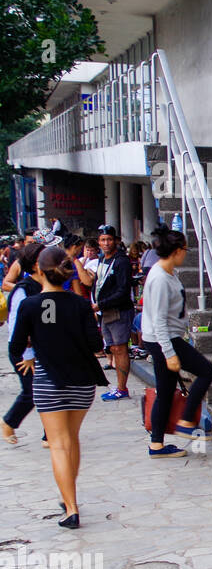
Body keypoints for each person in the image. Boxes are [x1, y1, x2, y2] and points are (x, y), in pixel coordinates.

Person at [9, 246, 108, 529]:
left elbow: (16, 346)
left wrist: (33, 347)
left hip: (48, 381)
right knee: (71, 439)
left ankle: (71, 507)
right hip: (81, 381)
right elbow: (96, 345)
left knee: (58, 444)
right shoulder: (79, 304)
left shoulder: (29, 305)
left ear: (39, 271)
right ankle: (69, 499)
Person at [141, 229, 212, 459]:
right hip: (163, 339)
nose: (186, 254)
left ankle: (156, 444)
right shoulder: (160, 279)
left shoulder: (167, 273)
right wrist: (169, 353)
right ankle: (185, 421)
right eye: (184, 249)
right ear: (175, 251)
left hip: (164, 338)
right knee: (206, 371)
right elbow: (159, 321)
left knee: (165, 391)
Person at [2, 242, 44, 444]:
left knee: (48, 391)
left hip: (43, 349)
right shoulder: (23, 290)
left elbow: (49, 321)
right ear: (35, 264)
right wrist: (28, 356)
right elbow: (17, 328)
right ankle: (9, 422)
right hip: (24, 352)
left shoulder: (46, 286)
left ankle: (51, 433)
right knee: (33, 391)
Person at [92, 225, 134, 401]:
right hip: (105, 311)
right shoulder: (102, 260)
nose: (106, 243)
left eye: (109, 239)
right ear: (98, 243)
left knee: (120, 348)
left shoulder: (122, 261)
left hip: (118, 310)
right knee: (113, 348)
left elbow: (123, 290)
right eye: (103, 240)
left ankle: (122, 388)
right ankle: (119, 387)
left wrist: (100, 305)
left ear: (115, 240)